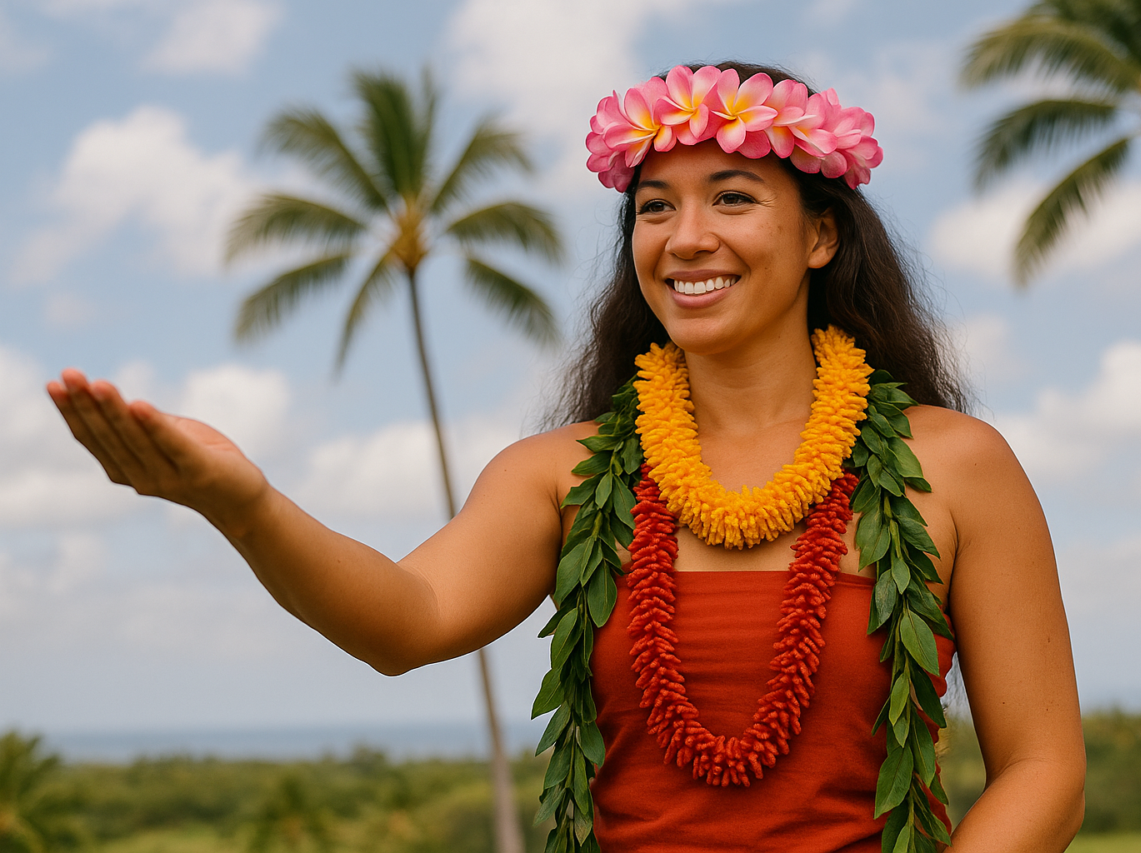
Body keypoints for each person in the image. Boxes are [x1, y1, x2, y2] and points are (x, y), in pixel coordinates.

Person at [48, 61, 1085, 852]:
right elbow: (403, 622)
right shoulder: (559, 473)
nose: (684, 237)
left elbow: (1042, 766)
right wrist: (246, 505)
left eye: (730, 197)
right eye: (652, 207)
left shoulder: (950, 466)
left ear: (819, 235)